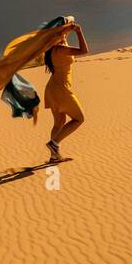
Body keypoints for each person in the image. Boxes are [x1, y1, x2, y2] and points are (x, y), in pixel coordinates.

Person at [44, 21, 88, 162]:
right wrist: (79, 32)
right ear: (57, 37)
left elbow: (65, 30)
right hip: (62, 89)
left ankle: (53, 156)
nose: (64, 35)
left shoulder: (51, 49)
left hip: (52, 89)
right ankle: (54, 144)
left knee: (59, 122)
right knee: (79, 119)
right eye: (62, 33)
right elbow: (84, 51)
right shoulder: (61, 50)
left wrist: (69, 27)